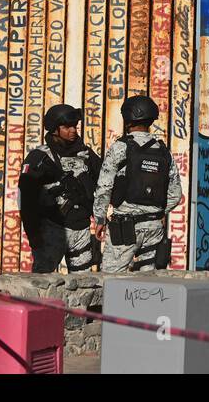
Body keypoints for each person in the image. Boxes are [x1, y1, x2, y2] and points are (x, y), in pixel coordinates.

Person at [92, 95, 182, 272]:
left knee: (110, 279)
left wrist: (100, 218)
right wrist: (159, 212)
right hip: (154, 227)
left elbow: (104, 186)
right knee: (148, 283)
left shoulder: (121, 147)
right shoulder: (163, 150)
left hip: (124, 228)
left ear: (127, 120)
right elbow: (176, 194)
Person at [18, 104, 102, 273]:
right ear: (55, 129)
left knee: (83, 287)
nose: (73, 130)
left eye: (75, 126)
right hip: (51, 230)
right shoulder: (39, 157)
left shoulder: (85, 154)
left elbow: (104, 185)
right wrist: (33, 233)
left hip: (82, 230)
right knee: (43, 285)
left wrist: (100, 218)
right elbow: (26, 198)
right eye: (67, 127)